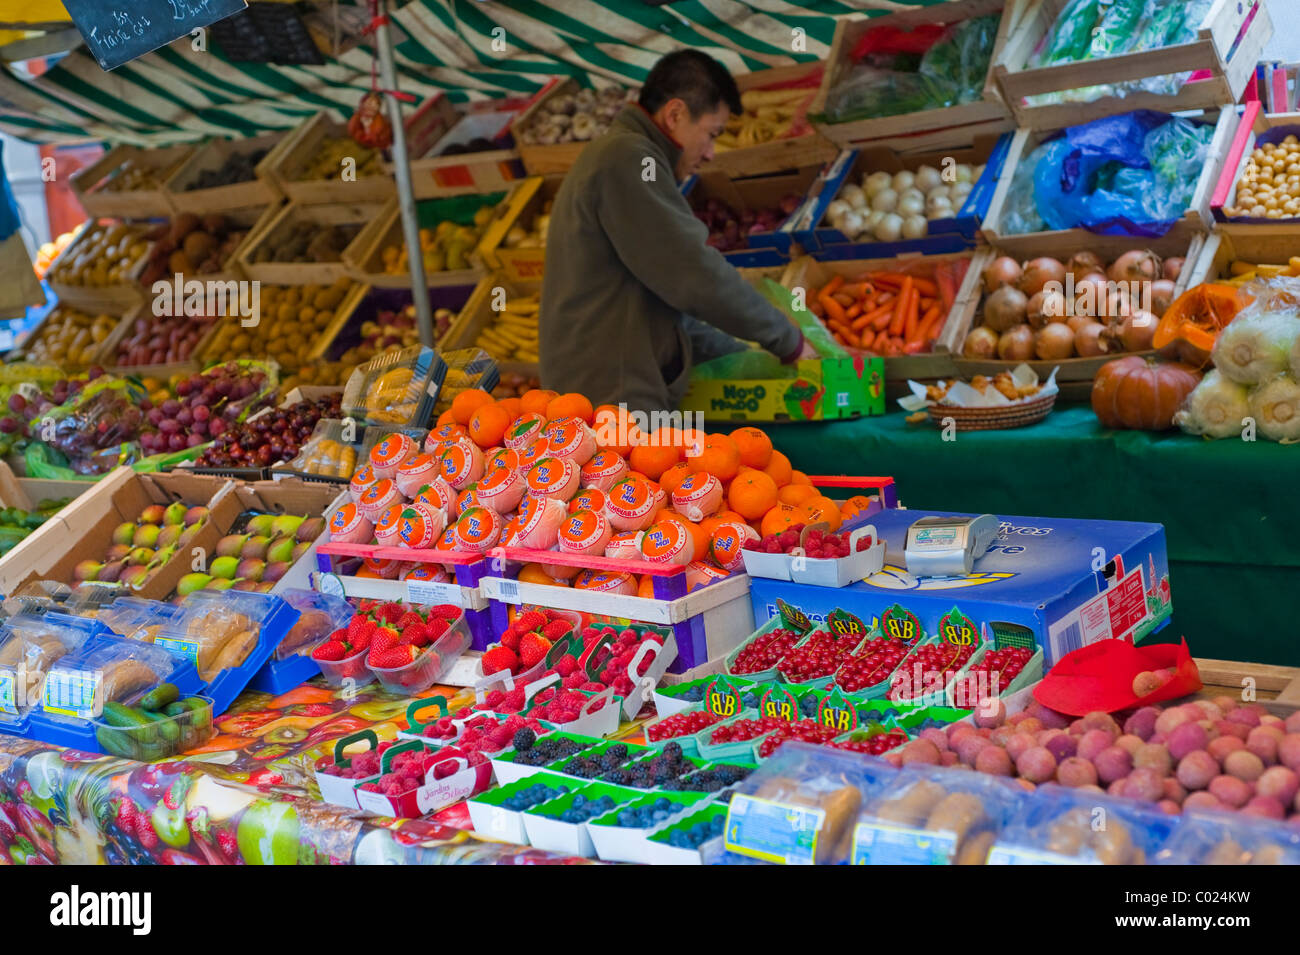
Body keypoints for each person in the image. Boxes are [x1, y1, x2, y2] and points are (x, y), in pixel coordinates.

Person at [540, 50, 815, 414]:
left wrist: (746, 360)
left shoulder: (626, 157)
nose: (712, 154)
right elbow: (693, 271)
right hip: (610, 394)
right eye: (712, 134)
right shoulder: (631, 159)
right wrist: (788, 341)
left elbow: (669, 303)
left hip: (611, 385)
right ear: (674, 114)